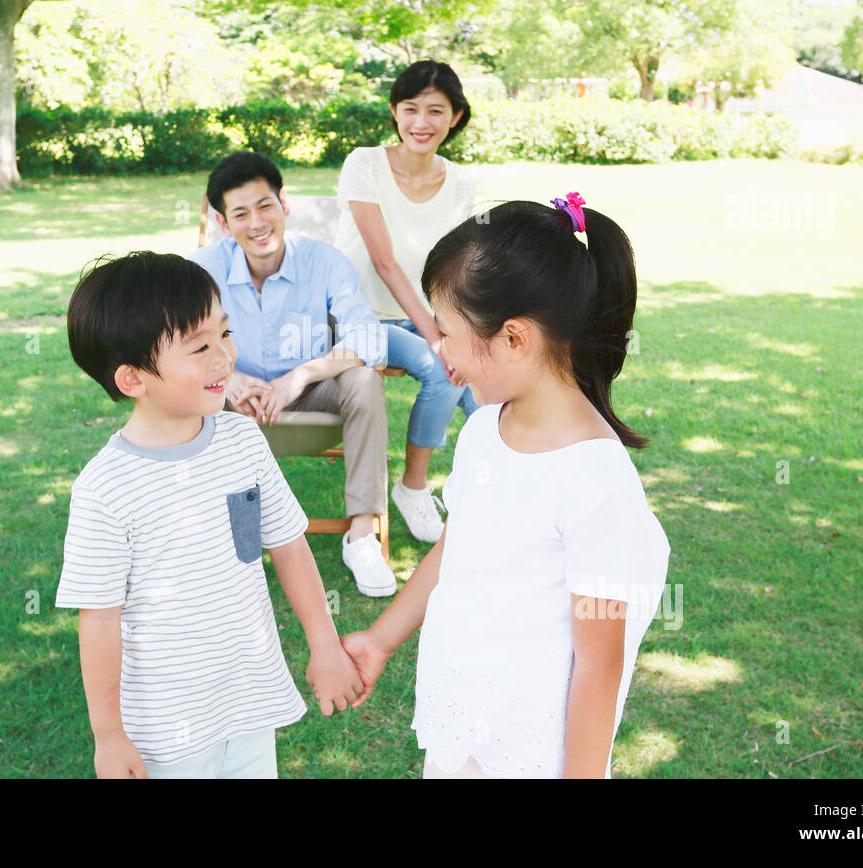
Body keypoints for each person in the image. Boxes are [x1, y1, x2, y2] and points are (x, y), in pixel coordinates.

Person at [340, 195, 672, 779]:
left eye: (446, 332)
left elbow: (599, 664)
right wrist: (382, 639)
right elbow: (455, 547)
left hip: (533, 756)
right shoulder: (481, 433)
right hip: (464, 725)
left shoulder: (596, 481)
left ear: (514, 340)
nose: (437, 349)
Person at [56, 251, 362, 778]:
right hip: (164, 732)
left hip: (248, 706)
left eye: (225, 333)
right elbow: (99, 620)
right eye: (199, 347)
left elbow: (288, 545)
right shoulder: (104, 490)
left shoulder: (242, 440)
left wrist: (325, 647)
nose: (224, 358)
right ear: (132, 380)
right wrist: (109, 737)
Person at [191, 151, 397, 598]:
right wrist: (227, 380)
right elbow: (173, 343)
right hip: (232, 398)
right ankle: (226, 543)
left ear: (285, 203)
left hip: (310, 390)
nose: (257, 222)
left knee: (365, 380)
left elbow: (369, 339)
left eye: (265, 205)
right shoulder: (202, 268)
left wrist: (299, 377)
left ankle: (362, 535)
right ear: (224, 224)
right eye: (240, 213)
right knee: (188, 392)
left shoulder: (324, 260)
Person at [335, 59, 479, 545]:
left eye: (436, 111)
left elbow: (457, 269)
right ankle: (412, 488)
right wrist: (439, 340)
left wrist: (454, 331)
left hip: (425, 314)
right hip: (359, 317)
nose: (422, 122)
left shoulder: (462, 184)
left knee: (486, 391)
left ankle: (488, 495)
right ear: (395, 112)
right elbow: (384, 262)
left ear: (455, 117)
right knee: (443, 370)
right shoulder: (364, 164)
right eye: (410, 108)